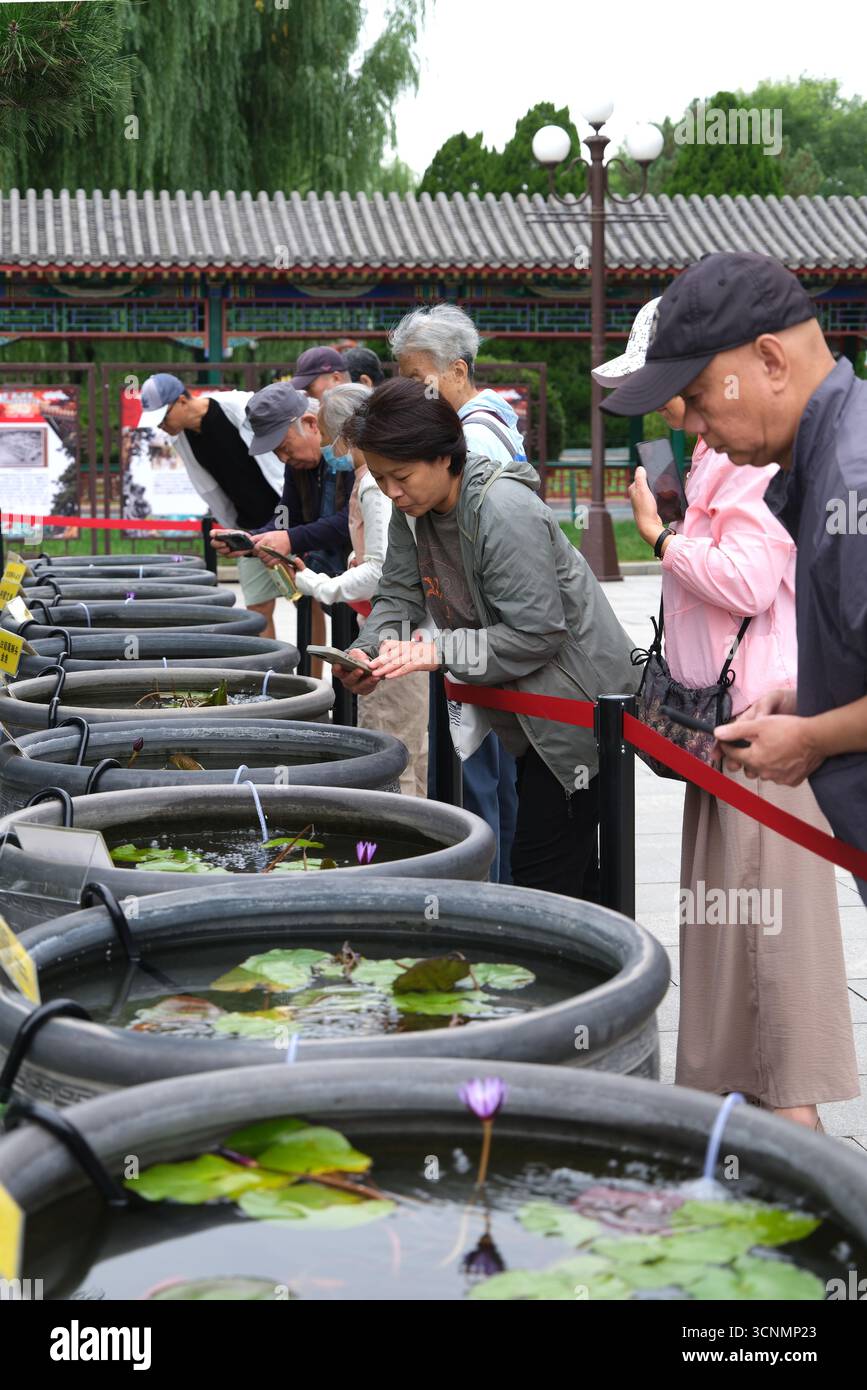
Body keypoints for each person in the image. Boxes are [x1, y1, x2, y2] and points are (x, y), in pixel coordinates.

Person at [603, 310, 857, 1131]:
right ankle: (753, 1127)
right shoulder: (733, 453)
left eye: (688, 394)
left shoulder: (776, 464)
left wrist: (662, 537)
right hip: (746, 726)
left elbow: (748, 581)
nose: (683, 415)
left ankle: (796, 1140)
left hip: (764, 735)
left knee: (773, 961)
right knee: (730, 943)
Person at [600, 251, 867, 906]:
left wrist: (810, 735)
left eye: (697, 397)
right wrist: (810, 701)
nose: (692, 425)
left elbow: (748, 583)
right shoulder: (824, 459)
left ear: (771, 361)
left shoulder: (852, 481)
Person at [333, 376, 639, 899]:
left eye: (400, 476)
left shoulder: (501, 510)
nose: (391, 493)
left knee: (546, 878)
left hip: (575, 713)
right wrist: (367, 647)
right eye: (381, 480)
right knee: (564, 873)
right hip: (527, 714)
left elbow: (536, 633)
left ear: (444, 456)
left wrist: (438, 652)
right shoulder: (416, 510)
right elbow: (400, 594)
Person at [388, 302, 529, 883]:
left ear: (458, 372)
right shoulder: (493, 422)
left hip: (485, 645)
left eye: (421, 384)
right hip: (482, 648)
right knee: (496, 790)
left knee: (483, 795)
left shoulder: (475, 441)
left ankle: (489, 901)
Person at [290, 382, 428, 796]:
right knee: (411, 747)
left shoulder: (373, 483)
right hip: (401, 628)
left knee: (391, 745)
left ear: (349, 435)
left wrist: (320, 585)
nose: (331, 450)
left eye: (333, 440)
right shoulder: (373, 480)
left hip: (389, 631)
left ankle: (399, 846)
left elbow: (382, 570)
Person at [209, 383, 352, 657]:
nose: (284, 458)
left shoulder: (347, 454)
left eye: (285, 447)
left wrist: (289, 539)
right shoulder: (297, 467)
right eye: (276, 453)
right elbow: (288, 515)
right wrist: (253, 541)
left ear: (311, 424)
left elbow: (350, 521)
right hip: (335, 579)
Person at [136, 374, 284, 637]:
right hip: (248, 527)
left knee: (307, 600)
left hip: (289, 520)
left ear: (182, 401)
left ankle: (315, 676)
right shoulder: (181, 437)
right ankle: (274, 677)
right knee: (257, 608)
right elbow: (212, 487)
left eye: (163, 417)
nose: (160, 425)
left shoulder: (239, 408)